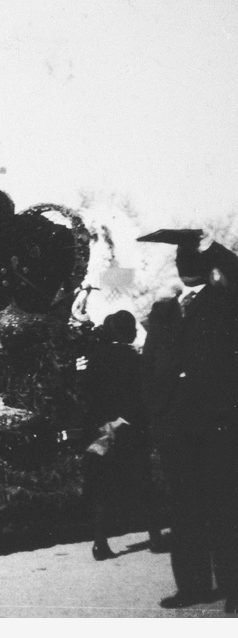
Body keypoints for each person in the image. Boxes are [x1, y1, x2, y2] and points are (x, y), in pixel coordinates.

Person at [139, 229, 238, 613]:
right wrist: (157, 413)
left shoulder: (224, 300)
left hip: (216, 424)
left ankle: (234, 588)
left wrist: (208, 244)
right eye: (180, 259)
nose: (183, 265)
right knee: (184, 509)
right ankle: (192, 587)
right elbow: (151, 365)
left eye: (191, 258)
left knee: (224, 508)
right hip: (175, 428)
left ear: (207, 264)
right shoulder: (163, 310)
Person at [76, 310, 164, 561]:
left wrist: (101, 425)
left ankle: (100, 542)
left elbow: (87, 396)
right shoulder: (134, 358)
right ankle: (156, 537)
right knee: (144, 483)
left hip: (102, 432)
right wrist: (125, 420)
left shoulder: (94, 358)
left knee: (103, 487)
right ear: (127, 332)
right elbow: (141, 395)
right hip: (129, 428)